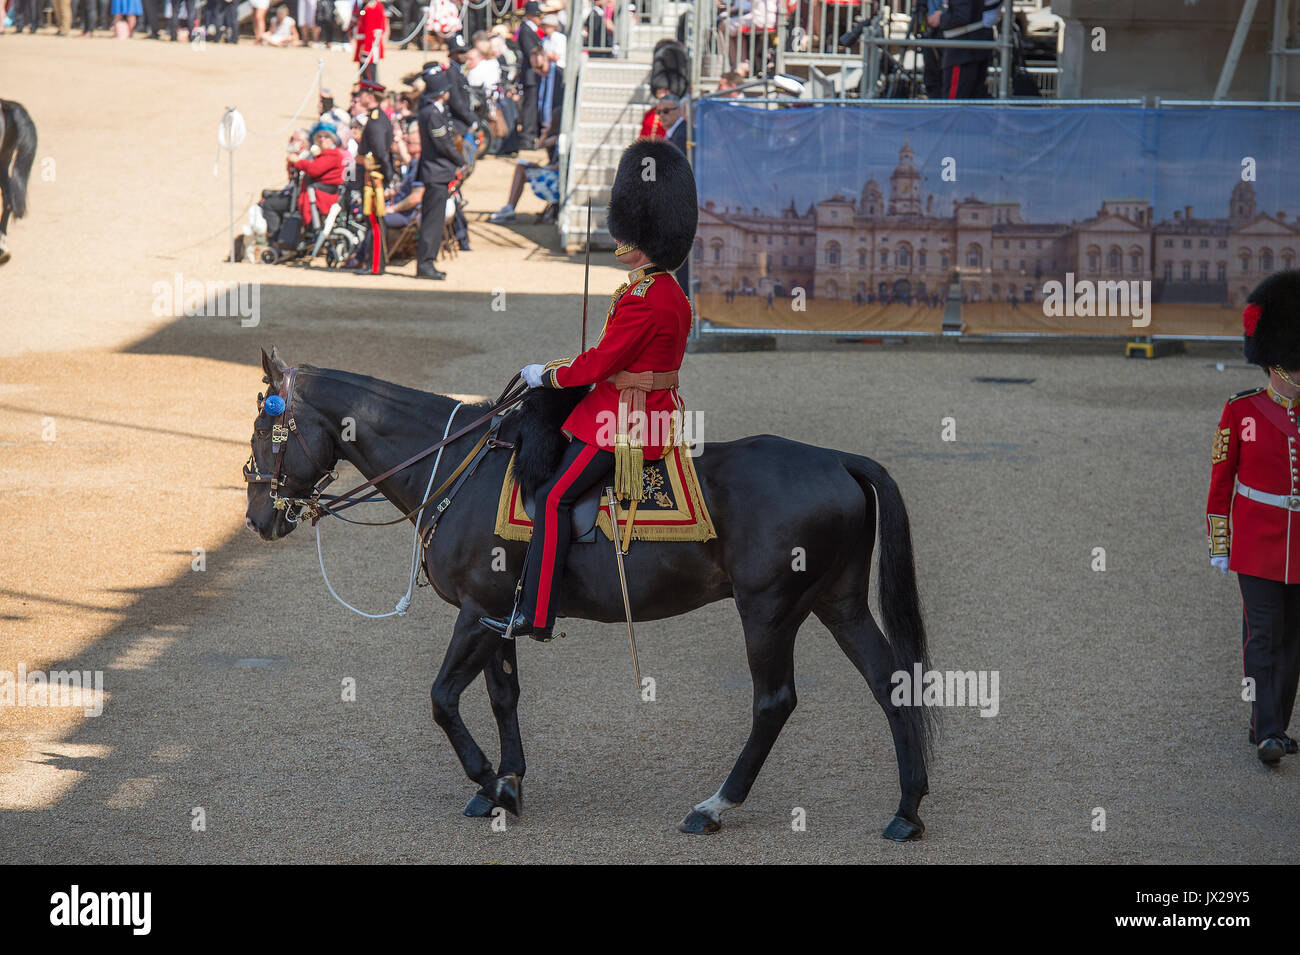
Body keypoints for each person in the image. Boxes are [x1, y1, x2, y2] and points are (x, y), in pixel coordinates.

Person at [480, 138, 697, 642]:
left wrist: (547, 374)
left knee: (554, 497)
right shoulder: (667, 290)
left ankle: (534, 613)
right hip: (651, 409)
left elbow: (600, 364)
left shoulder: (644, 298)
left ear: (644, 235)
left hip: (623, 420)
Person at [1207, 270, 1300, 764]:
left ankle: (1275, 725)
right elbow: (1222, 482)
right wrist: (1220, 541)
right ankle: (1266, 730)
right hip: (1257, 544)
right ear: (1276, 363)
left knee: (1293, 641)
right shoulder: (1241, 411)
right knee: (1262, 634)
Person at [415, 67, 464, 280]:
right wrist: (460, 161)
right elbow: (443, 144)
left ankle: (427, 262)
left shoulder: (433, 111)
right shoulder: (433, 114)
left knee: (433, 219)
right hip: (437, 172)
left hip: (435, 172)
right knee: (433, 221)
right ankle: (426, 263)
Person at [353, 78, 394, 274]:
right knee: (373, 222)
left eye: (361, 94)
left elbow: (379, 152)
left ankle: (376, 265)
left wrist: (386, 175)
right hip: (373, 176)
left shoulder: (376, 120)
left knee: (376, 223)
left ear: (370, 97)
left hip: (374, 177)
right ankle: (373, 262)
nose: (358, 98)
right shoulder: (376, 117)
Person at [928, 0, 999, 99]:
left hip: (963, 50)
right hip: (969, 47)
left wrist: (941, 18)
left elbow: (961, 16)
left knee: (954, 102)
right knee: (972, 100)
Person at [292, 123, 348, 228]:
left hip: (323, 196)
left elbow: (314, 169)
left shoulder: (333, 154)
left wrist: (298, 161)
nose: (322, 139)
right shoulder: (320, 155)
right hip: (314, 193)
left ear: (333, 139)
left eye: (326, 136)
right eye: (319, 136)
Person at [515, 0, 544, 148]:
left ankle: (530, 135)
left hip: (533, 74)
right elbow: (531, 51)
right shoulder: (525, 30)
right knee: (529, 107)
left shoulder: (529, 30)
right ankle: (527, 137)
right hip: (530, 74)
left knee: (533, 106)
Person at [352, 0, 386, 82]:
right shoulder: (370, 5)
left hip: (368, 45)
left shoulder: (372, 8)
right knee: (366, 73)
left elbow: (370, 29)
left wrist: (367, 48)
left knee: (368, 75)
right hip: (366, 43)